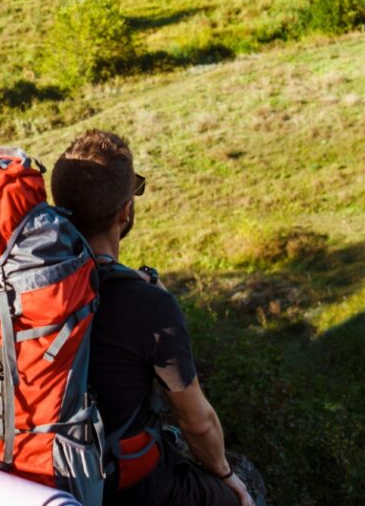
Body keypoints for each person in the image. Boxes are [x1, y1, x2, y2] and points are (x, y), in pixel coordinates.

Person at [51, 130, 255, 506]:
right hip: (122, 485)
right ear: (125, 210)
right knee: (238, 497)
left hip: (42, 473)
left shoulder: (29, 283)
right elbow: (196, 421)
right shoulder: (147, 304)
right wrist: (227, 476)